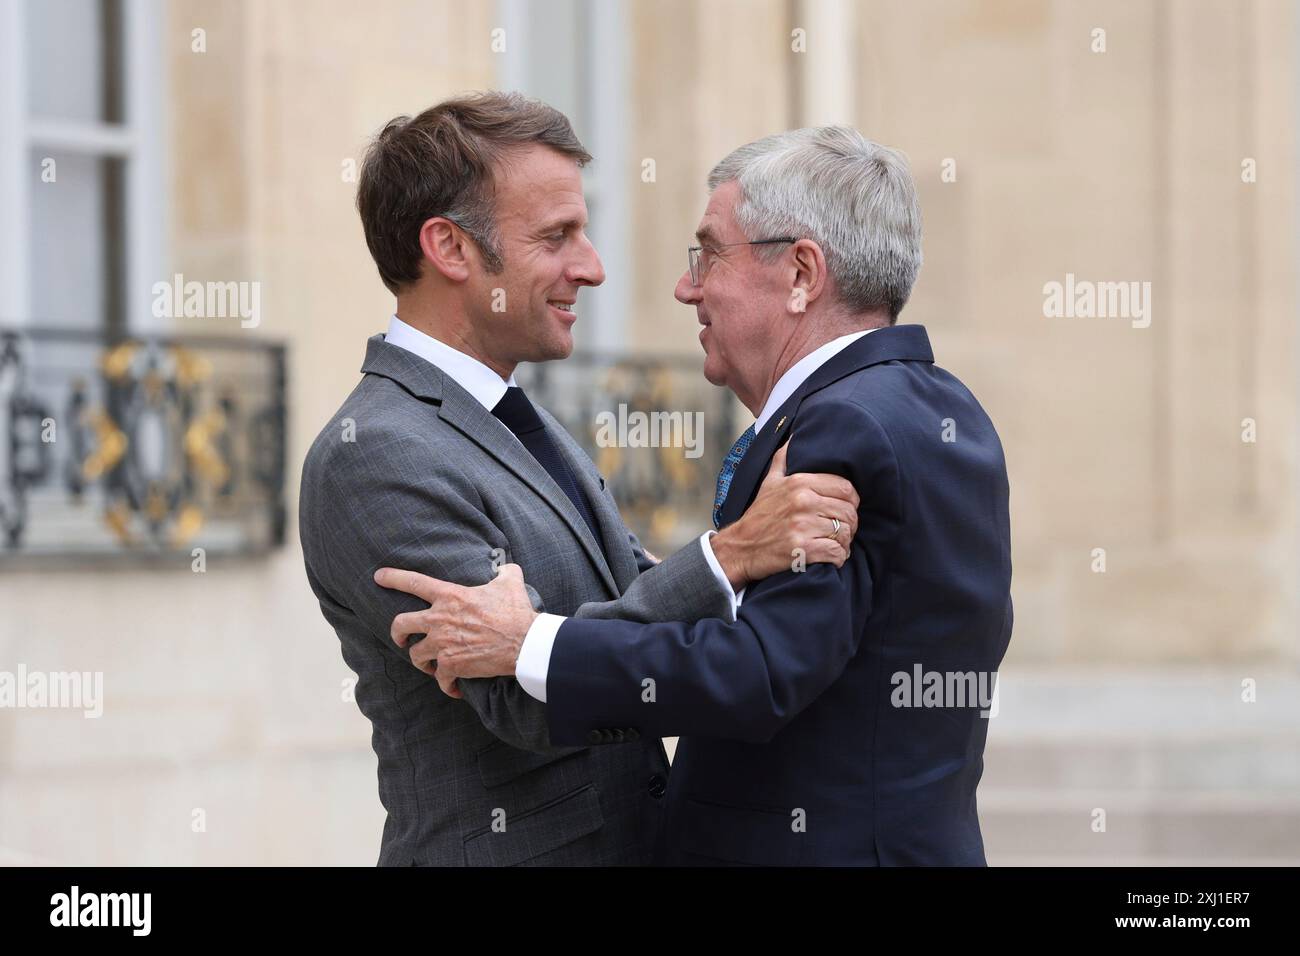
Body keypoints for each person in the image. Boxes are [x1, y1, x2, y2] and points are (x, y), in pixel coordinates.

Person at [379, 126, 1014, 866]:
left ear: (802, 272)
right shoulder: (936, 404)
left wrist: (528, 642)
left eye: (709, 253)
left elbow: (761, 672)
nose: (688, 286)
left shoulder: (838, 426)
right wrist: (700, 574)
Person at [299, 94, 860, 866]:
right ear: (451, 249)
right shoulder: (375, 453)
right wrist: (729, 555)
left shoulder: (507, 412)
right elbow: (523, 697)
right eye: (557, 237)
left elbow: (628, 597)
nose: (591, 268)